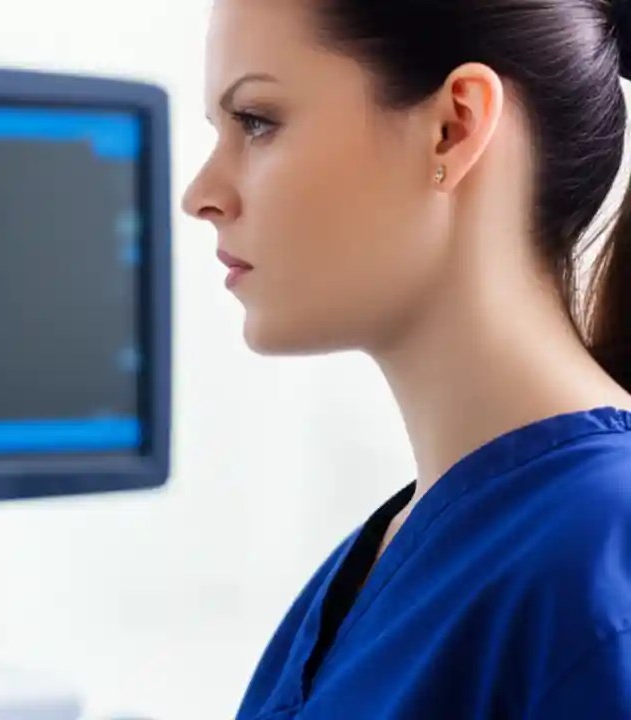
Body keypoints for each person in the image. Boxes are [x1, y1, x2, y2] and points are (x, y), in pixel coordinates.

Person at [179, 0, 631, 717]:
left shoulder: (594, 562)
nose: (199, 196)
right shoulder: (389, 558)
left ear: (455, 126)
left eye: (257, 121)